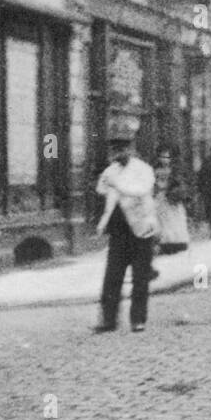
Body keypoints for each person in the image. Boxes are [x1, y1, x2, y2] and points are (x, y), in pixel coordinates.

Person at [94, 131, 159, 334]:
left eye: (122, 149)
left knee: (140, 277)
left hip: (141, 228)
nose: (118, 154)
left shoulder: (144, 169)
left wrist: (117, 185)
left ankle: (138, 320)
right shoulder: (111, 170)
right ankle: (108, 320)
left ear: (130, 149)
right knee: (112, 276)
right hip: (119, 228)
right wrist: (106, 185)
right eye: (114, 150)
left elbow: (142, 189)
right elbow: (101, 189)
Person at [152, 145, 191, 255]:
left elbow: (179, 181)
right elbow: (156, 184)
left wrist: (176, 189)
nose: (165, 159)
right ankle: (166, 243)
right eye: (162, 157)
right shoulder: (156, 170)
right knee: (164, 220)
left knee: (175, 219)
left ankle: (178, 243)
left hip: (172, 198)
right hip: (161, 197)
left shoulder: (174, 169)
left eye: (167, 157)